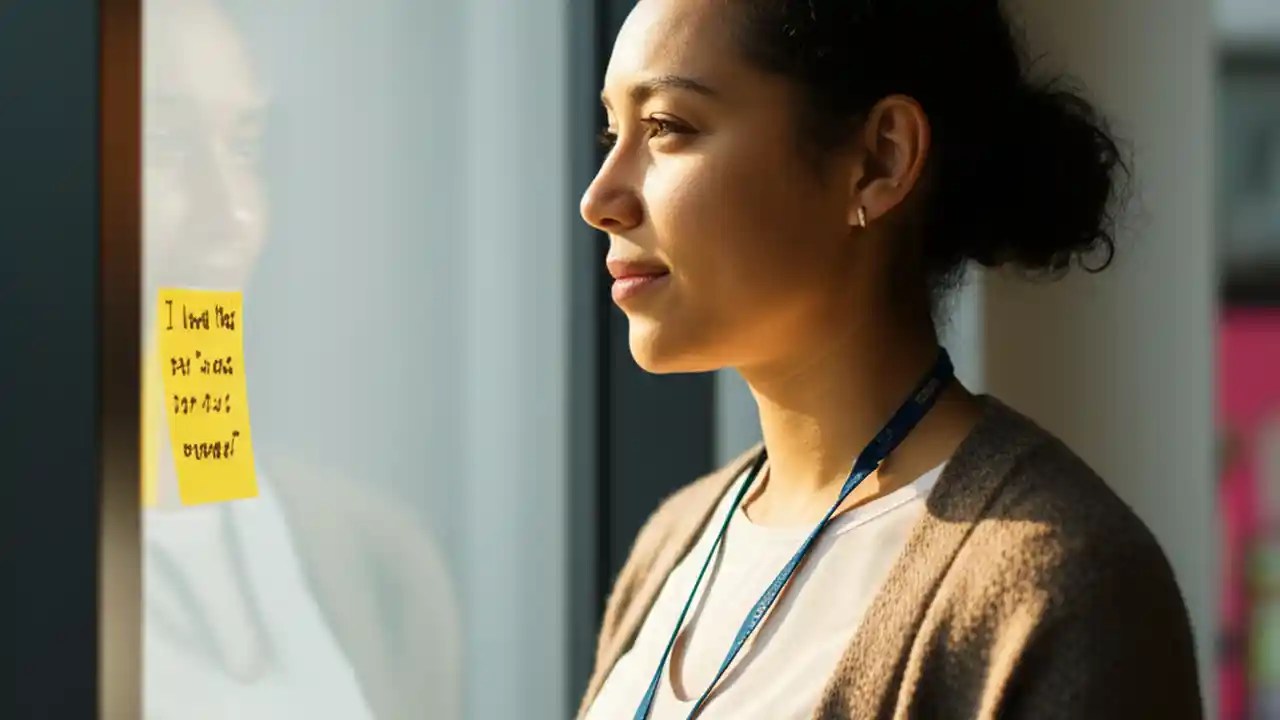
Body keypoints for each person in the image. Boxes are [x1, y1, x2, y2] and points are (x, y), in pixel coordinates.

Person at [575, 1, 1202, 718]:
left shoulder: (1060, 586)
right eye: (611, 130)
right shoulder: (677, 542)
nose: (601, 199)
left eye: (666, 127)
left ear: (881, 160)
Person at [141, 0, 461, 717]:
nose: (232, 214)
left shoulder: (378, 565)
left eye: (243, 146)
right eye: (161, 142)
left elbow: (206, 461)